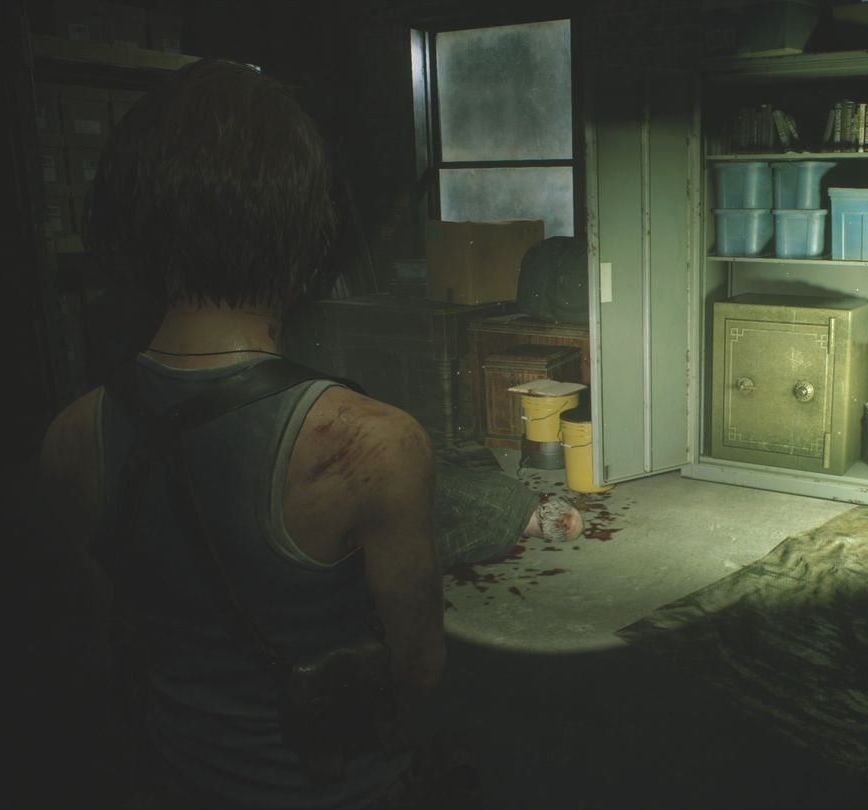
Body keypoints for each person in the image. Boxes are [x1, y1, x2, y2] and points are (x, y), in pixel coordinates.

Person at [36, 58, 575, 810]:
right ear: (301, 229)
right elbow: (419, 672)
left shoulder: (68, 437)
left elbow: (97, 651)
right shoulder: (372, 445)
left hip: (175, 778)